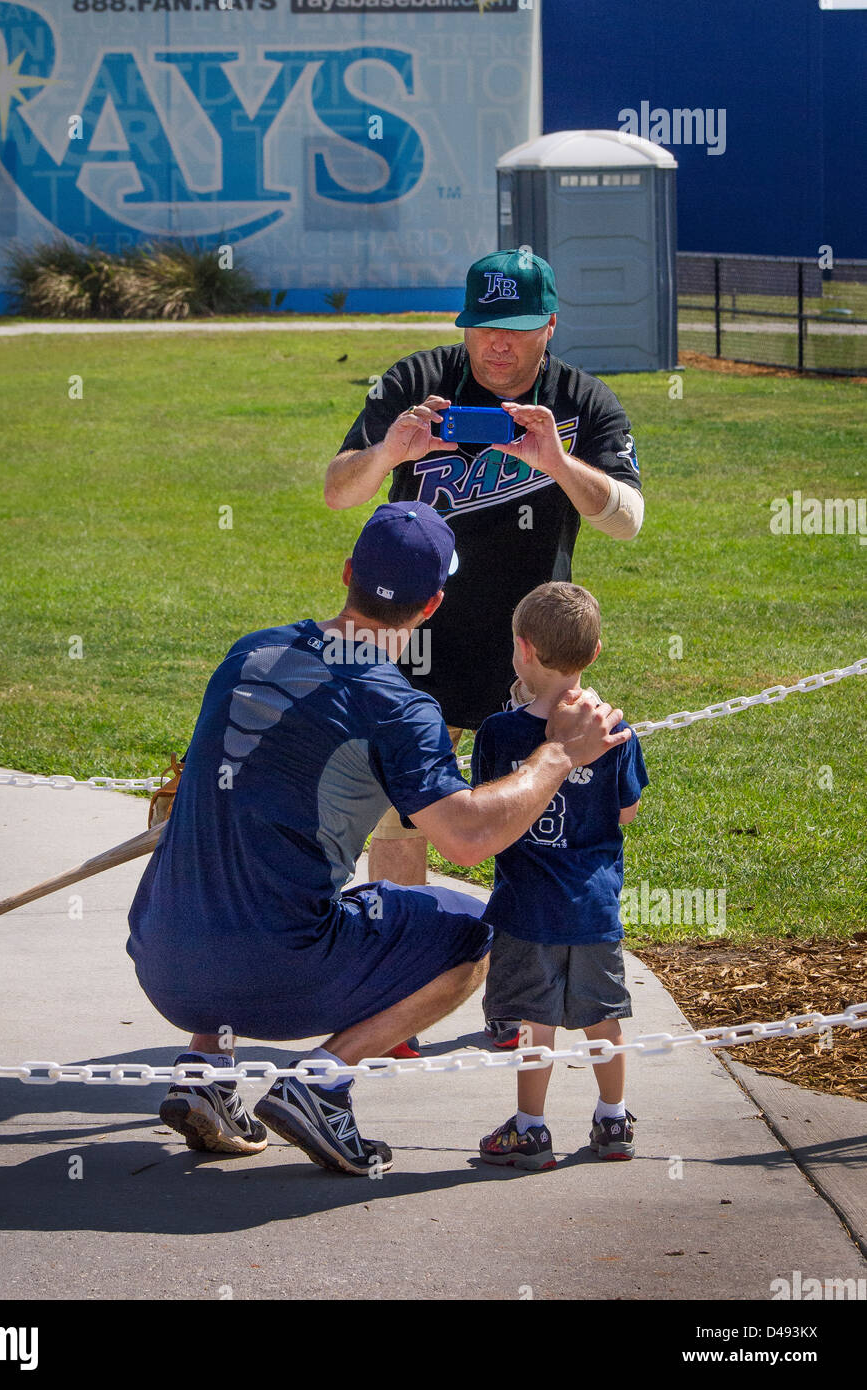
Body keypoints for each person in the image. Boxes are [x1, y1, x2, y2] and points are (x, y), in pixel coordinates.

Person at [127, 503, 632, 1177]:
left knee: (244, 869)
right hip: (269, 974)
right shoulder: (397, 708)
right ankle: (322, 1083)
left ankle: (206, 1072)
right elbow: (468, 838)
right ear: (432, 605)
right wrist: (560, 754)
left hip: (161, 959)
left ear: (346, 574)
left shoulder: (249, 653)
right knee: (476, 931)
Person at [325, 248, 644, 889]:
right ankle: (401, 952)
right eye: (484, 326)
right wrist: (390, 450)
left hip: (531, 645)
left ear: (550, 324)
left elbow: (627, 518)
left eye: (518, 327)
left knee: (535, 809)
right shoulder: (417, 380)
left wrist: (556, 460)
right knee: (398, 817)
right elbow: (339, 490)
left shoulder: (580, 400)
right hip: (413, 632)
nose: (497, 345)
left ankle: (529, 952)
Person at [472, 582, 648, 1170]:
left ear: (523, 650)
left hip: (528, 909)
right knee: (605, 1018)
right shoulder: (614, 730)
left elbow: (489, 806)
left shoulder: (499, 733)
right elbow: (626, 810)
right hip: (594, 906)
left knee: (534, 1023)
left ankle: (530, 1129)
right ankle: (613, 1119)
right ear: (594, 652)